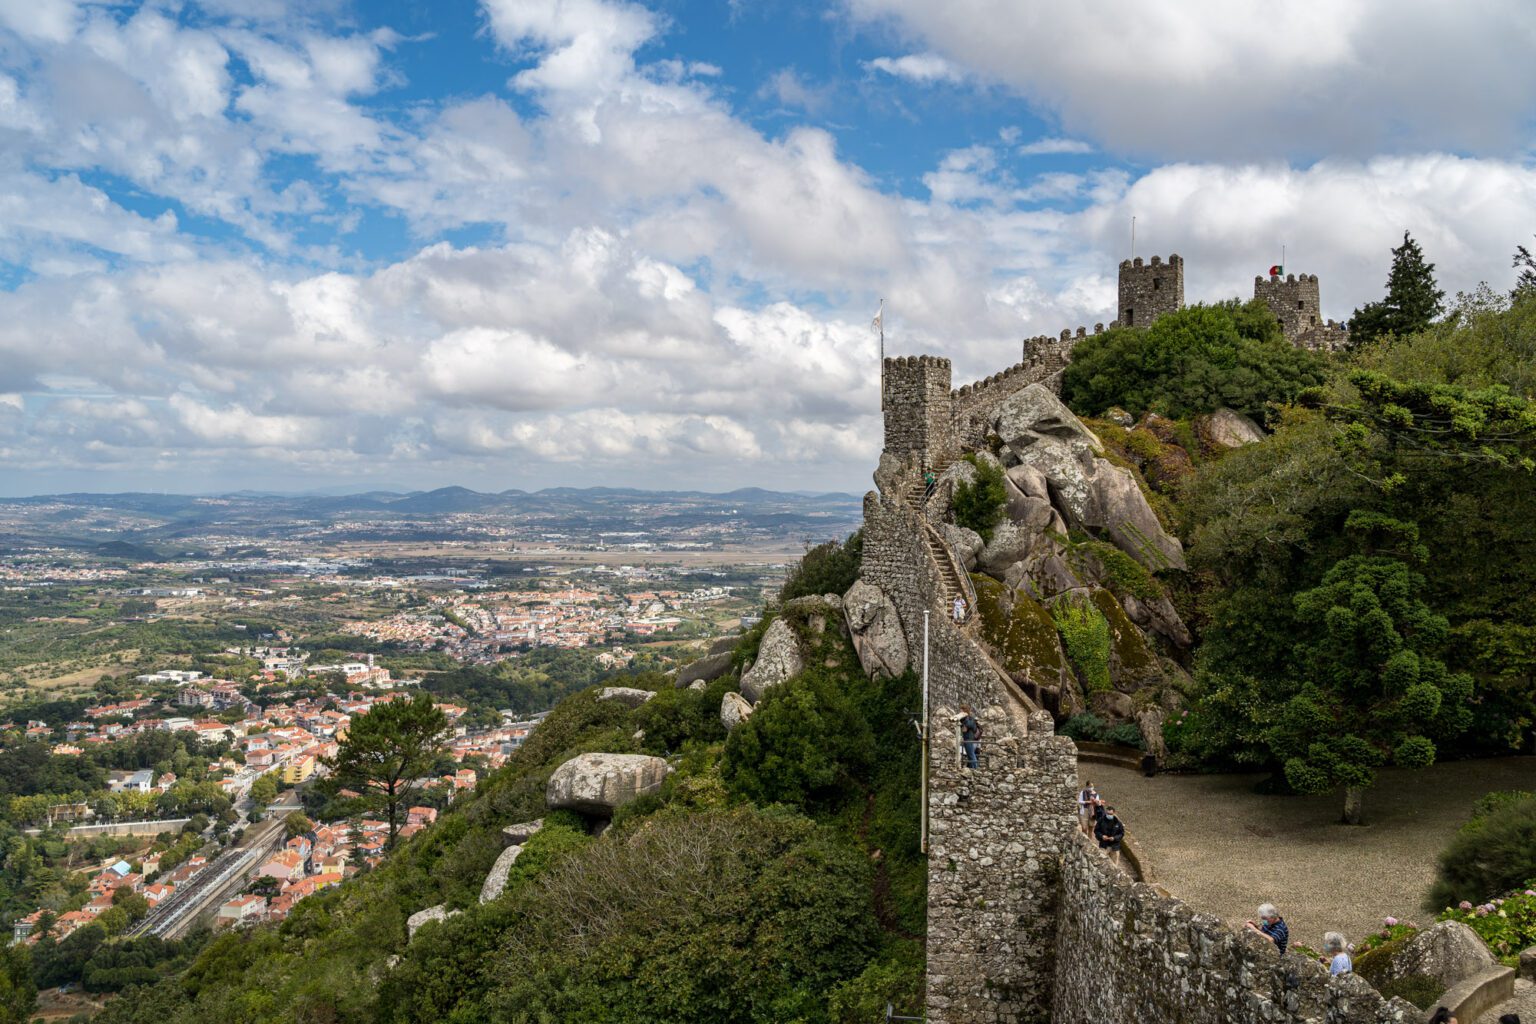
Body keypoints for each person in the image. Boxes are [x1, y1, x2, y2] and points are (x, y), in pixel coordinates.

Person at [958, 705, 981, 771]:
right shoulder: (967, 718)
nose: (960, 711)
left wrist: (965, 719)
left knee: (971, 755)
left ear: (964, 710)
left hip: (969, 739)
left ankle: (975, 769)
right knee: (970, 755)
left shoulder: (969, 718)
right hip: (968, 739)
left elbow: (969, 725)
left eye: (961, 710)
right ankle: (972, 768)